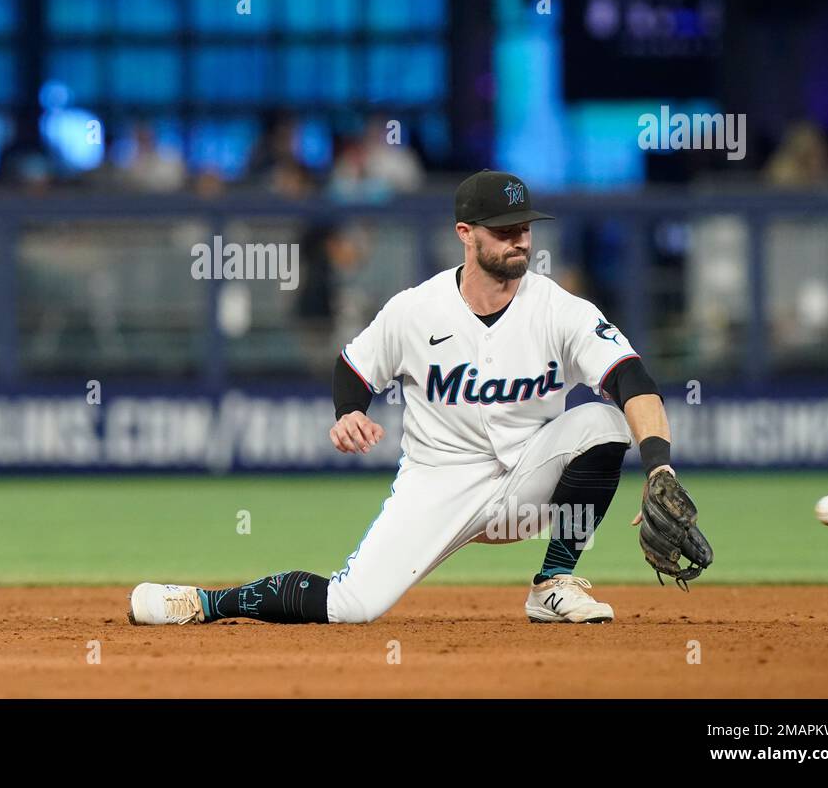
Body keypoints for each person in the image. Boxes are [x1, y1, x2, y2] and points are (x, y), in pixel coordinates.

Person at [129, 170, 712, 626]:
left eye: (525, 228)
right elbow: (353, 368)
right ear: (466, 234)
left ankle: (552, 583)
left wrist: (659, 461)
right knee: (351, 605)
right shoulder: (415, 310)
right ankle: (206, 602)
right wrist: (349, 411)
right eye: (504, 230)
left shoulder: (560, 308)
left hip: (527, 487)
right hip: (437, 483)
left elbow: (631, 377)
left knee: (605, 423)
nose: (520, 241)